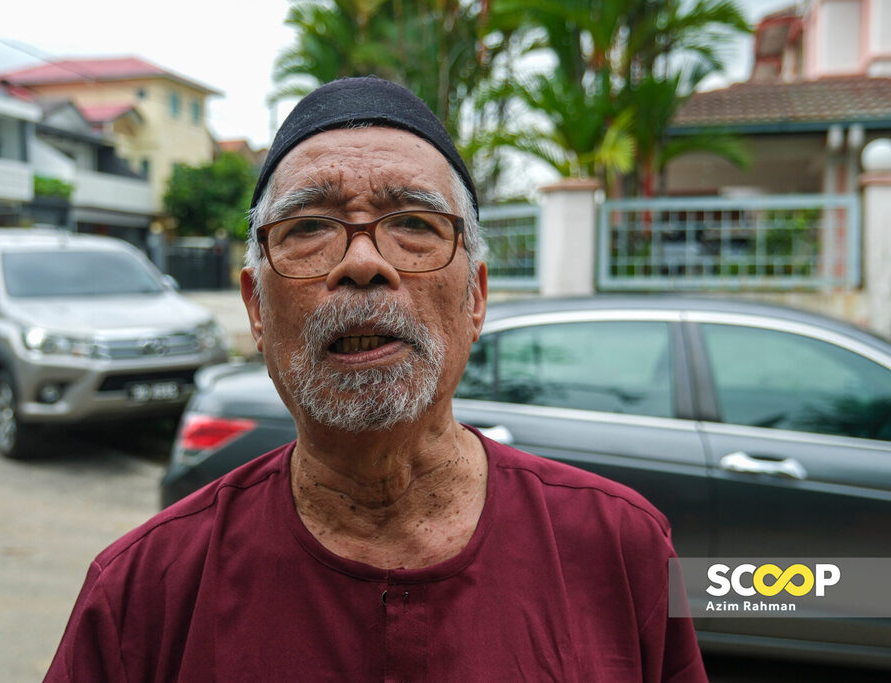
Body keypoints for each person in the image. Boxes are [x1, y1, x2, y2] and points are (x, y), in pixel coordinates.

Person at [44, 76, 707, 682]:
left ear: (476, 297)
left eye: (414, 223)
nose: (362, 263)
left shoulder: (621, 547)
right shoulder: (142, 593)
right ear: (256, 307)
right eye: (309, 227)